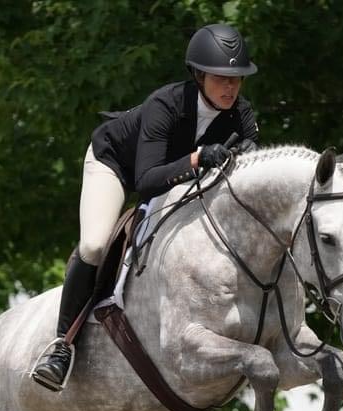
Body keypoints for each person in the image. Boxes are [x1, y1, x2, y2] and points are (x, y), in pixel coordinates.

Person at [32, 23, 259, 391]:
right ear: (199, 76)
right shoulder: (165, 104)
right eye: (221, 79)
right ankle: (61, 346)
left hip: (172, 177)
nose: (231, 88)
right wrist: (198, 159)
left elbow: (250, 162)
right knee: (94, 244)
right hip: (116, 166)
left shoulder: (241, 114)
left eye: (236, 79)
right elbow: (147, 182)